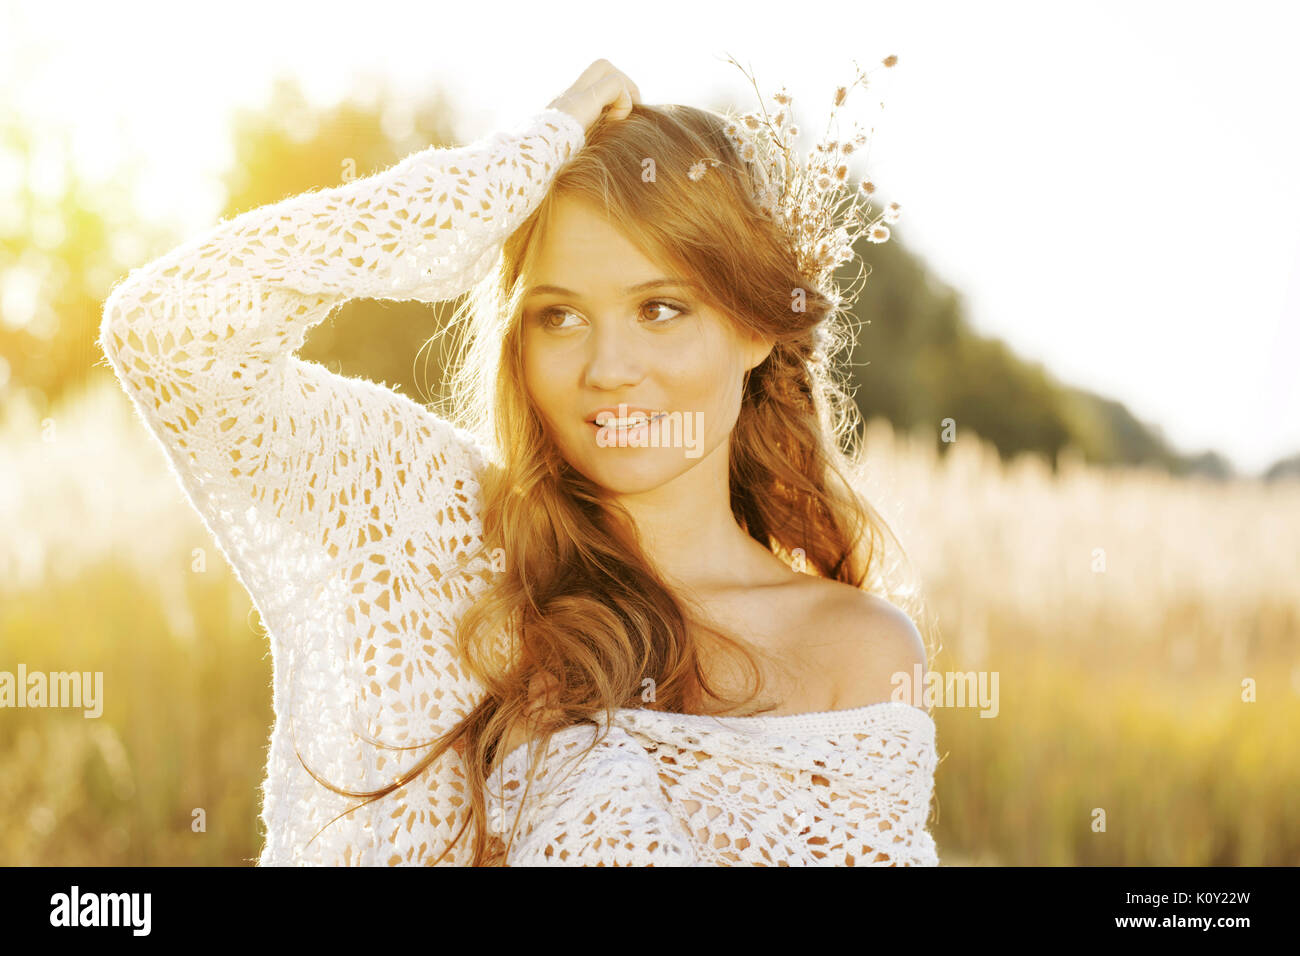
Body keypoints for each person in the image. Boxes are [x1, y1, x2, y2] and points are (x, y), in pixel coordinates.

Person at [99, 58, 940, 866]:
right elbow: (166, 330)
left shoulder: (856, 654)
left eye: (659, 308)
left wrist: (569, 763)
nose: (608, 368)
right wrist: (509, 167)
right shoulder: (423, 522)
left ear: (756, 327)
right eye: (559, 317)